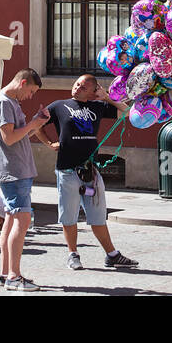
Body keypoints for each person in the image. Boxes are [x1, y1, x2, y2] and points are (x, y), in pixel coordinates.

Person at [35, 73, 138, 271]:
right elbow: (36, 124)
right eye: (77, 84)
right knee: (69, 216)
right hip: (67, 169)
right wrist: (49, 143)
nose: (77, 88)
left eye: (84, 87)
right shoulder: (59, 106)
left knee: (98, 215)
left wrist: (107, 97)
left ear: (92, 92)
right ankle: (73, 254)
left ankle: (112, 255)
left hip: (91, 170)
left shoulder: (98, 107)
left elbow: (127, 112)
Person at [0, 68, 48, 292]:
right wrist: (33, 124)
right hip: (14, 171)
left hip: (16, 169)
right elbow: (9, 138)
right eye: (31, 91)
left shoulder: (9, 102)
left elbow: (18, 135)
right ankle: (14, 276)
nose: (31, 96)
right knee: (21, 221)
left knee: (12, 220)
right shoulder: (4, 102)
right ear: (22, 82)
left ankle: (6, 273)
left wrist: (35, 123)